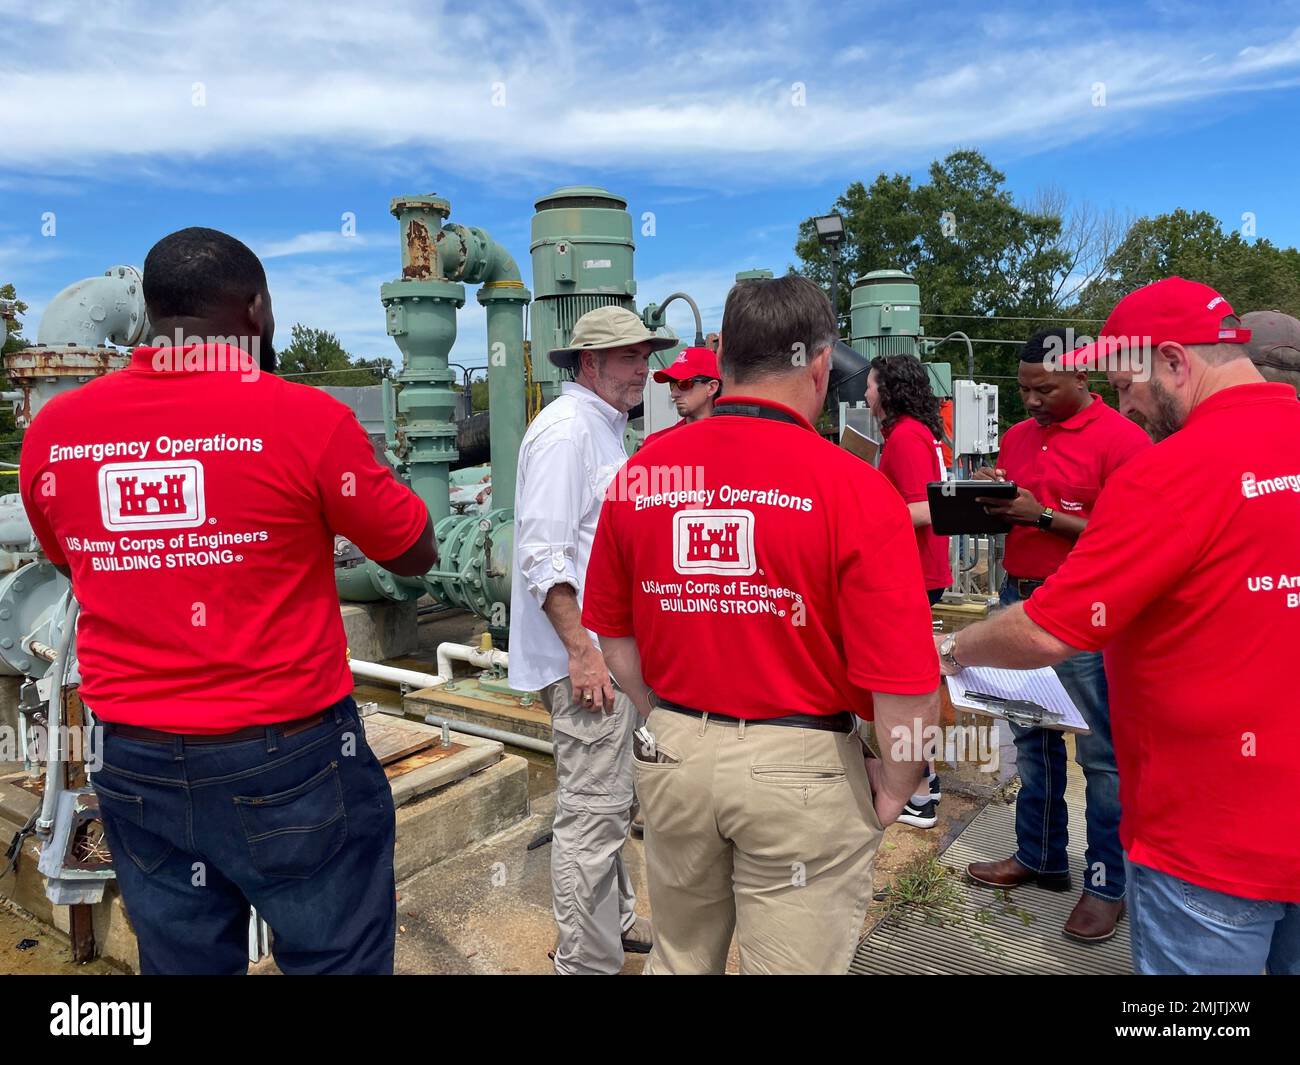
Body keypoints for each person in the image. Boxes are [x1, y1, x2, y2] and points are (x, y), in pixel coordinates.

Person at [18, 227, 436, 975]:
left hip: (134, 759)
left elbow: (68, 559)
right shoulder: (305, 418)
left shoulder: (56, 432)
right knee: (336, 954)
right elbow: (413, 549)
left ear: (148, 317)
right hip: (292, 761)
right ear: (257, 309)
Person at [935, 278, 1300, 974]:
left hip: (1207, 840)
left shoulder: (1171, 470)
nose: (1126, 401)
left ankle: (1104, 883)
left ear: (1171, 361)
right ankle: (1039, 853)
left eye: (1124, 381)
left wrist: (952, 648)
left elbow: (1048, 630)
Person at [581, 274, 940, 974]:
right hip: (802, 768)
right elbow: (905, 684)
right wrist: (900, 781)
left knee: (680, 957)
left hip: (674, 757)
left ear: (725, 364)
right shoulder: (858, 490)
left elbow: (614, 638)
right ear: (817, 365)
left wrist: (668, 717)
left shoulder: (641, 475)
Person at [963, 327, 1150, 943]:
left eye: (1043, 389)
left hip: (1087, 613)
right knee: (1032, 740)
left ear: (1083, 379)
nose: (1031, 401)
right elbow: (1013, 508)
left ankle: (1106, 882)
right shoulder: (1018, 437)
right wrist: (988, 498)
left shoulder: (1123, 440)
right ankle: (1040, 858)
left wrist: (1040, 515)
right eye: (1022, 390)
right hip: (1019, 597)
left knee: (1099, 755)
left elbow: (1131, 537)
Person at [507, 305, 674, 974]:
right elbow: (543, 554)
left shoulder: (604, 429)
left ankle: (615, 921)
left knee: (614, 803)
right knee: (591, 818)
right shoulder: (567, 432)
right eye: (628, 356)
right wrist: (582, 653)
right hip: (588, 662)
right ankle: (583, 963)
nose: (643, 367)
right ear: (587, 362)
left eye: (644, 355)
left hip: (611, 657)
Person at [866, 353, 952, 828]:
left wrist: (866, 515)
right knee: (917, 679)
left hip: (914, 574)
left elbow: (924, 509)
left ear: (889, 390)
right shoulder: (918, 433)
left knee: (906, 686)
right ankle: (926, 781)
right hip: (922, 572)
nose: (864, 393)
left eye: (871, 385)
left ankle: (917, 793)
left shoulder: (904, 438)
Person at [641, 346, 721, 449]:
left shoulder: (735, 441)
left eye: (683, 384)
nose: (674, 394)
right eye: (672, 384)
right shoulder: (655, 444)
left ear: (711, 387)